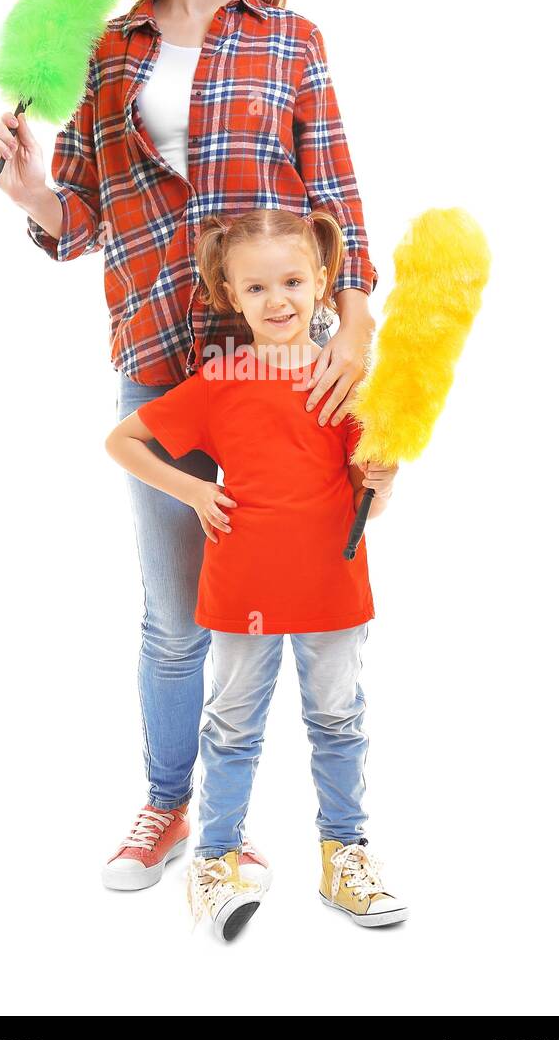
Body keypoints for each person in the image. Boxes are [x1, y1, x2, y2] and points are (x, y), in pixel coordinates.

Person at [0, 0, 379, 895]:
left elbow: (337, 200)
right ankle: (171, 805)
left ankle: (276, 832)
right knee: (173, 611)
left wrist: (356, 326)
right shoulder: (106, 51)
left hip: (286, 368)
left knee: (290, 599)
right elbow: (79, 223)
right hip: (160, 357)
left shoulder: (292, 40)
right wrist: (28, 188)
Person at [104, 206, 408, 941]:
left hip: (333, 587)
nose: (279, 302)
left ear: (323, 283)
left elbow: (376, 475)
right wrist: (191, 489)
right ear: (229, 297)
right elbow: (124, 439)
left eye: (294, 282)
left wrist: (385, 476)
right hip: (242, 590)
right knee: (234, 727)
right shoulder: (218, 382)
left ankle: (345, 857)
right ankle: (215, 860)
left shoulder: (347, 380)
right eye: (258, 288)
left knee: (338, 721)